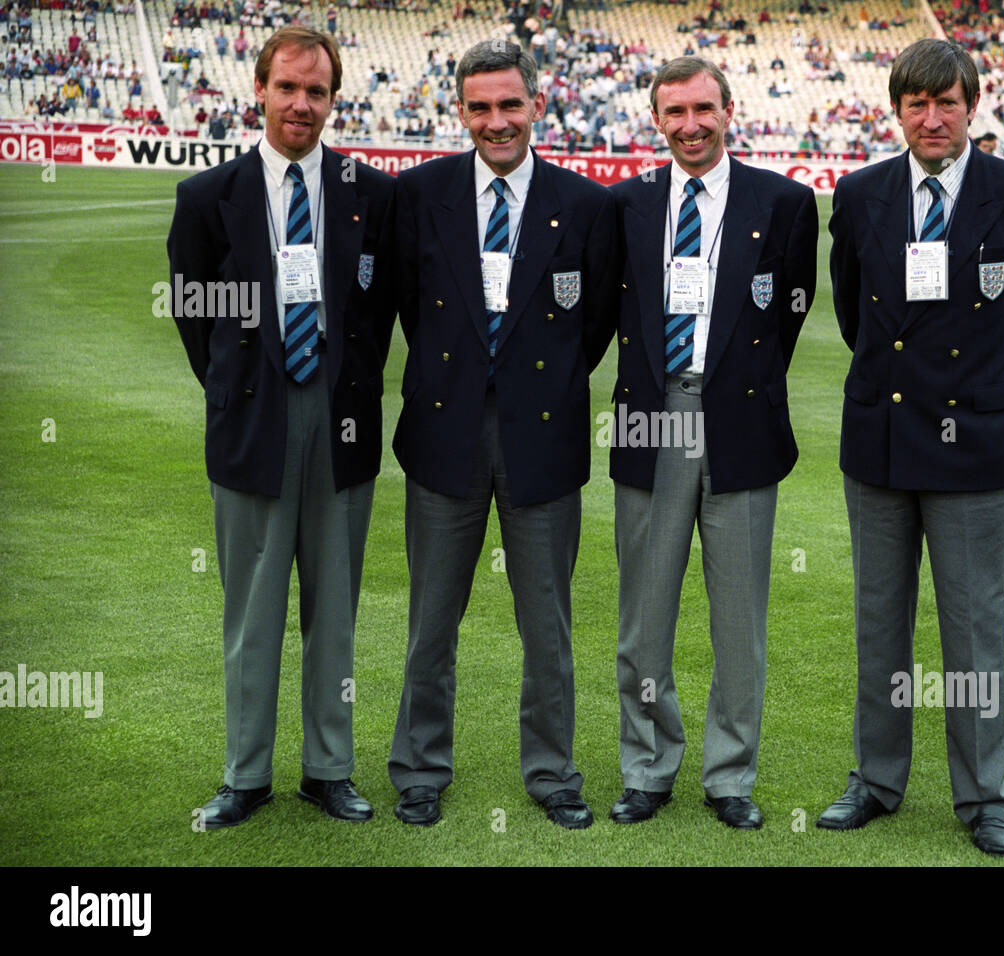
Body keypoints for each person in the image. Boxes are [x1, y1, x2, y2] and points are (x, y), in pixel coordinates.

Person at [822, 38, 1004, 857]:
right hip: (881, 439)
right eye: (916, 105)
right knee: (879, 624)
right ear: (897, 110)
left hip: (975, 447)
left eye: (947, 103)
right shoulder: (858, 195)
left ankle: (985, 796)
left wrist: (989, 385)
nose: (932, 118)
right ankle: (877, 780)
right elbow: (853, 314)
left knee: (971, 632)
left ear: (972, 106)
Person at [168, 26, 397, 829]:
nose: (303, 104)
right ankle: (247, 773)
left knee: (334, 610)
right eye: (289, 88)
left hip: (342, 423)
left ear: (335, 100)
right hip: (254, 421)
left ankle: (329, 769)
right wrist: (243, 390)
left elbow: (379, 311)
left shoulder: (370, 190)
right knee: (253, 614)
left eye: (318, 91)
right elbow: (198, 319)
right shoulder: (208, 198)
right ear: (258, 91)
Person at [386, 40, 616, 830]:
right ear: (460, 111)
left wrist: (533, 384)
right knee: (431, 621)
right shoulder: (417, 196)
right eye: (480, 107)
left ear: (537, 106)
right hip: (442, 433)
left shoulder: (586, 204)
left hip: (542, 439)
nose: (496, 121)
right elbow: (412, 313)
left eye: (510, 104)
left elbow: (593, 328)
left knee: (546, 626)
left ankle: (552, 773)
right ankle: (419, 768)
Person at [605, 56, 818, 831]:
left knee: (739, 625)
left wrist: (736, 387)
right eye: (674, 113)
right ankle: (647, 767)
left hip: (740, 423)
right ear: (655, 121)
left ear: (729, 110)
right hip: (650, 422)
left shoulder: (785, 202)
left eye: (703, 109)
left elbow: (786, 316)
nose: (690, 126)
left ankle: (731, 777)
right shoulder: (624, 204)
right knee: (643, 622)